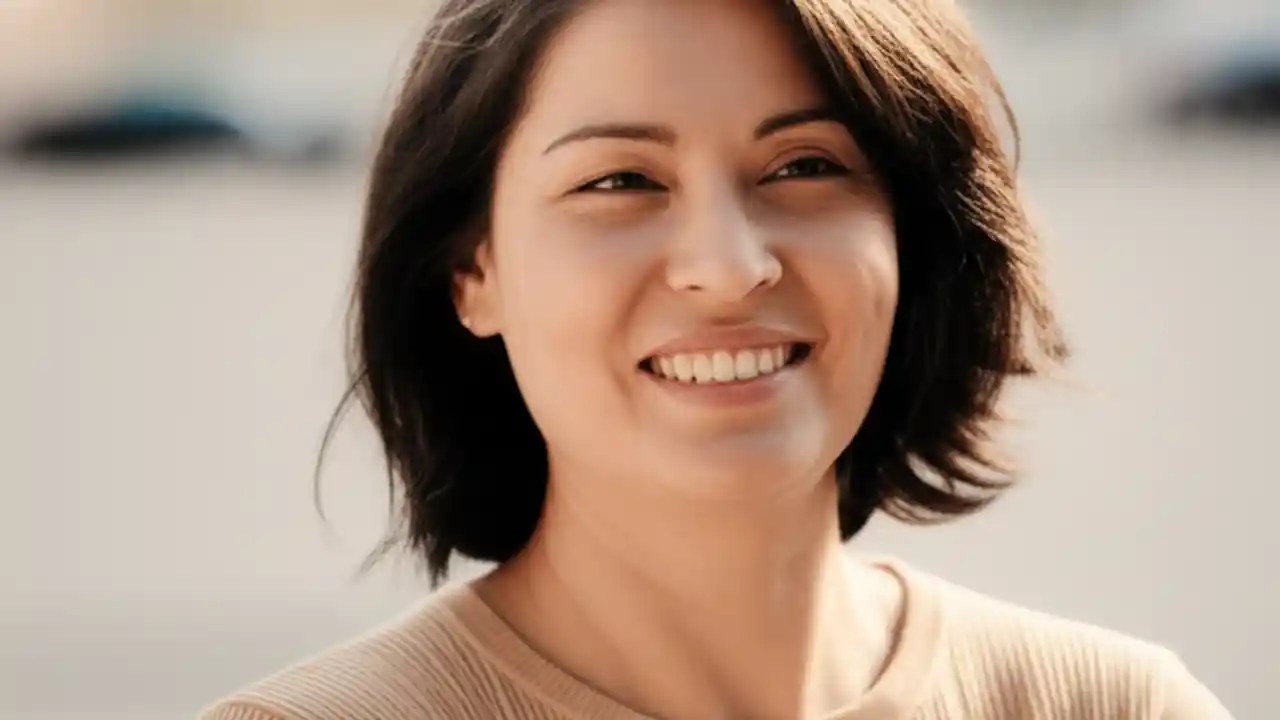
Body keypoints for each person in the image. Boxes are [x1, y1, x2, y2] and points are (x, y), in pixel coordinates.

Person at [201, 0, 1232, 717]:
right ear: (473, 272)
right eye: (618, 182)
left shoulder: (1118, 708)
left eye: (803, 165)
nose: (728, 267)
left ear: (910, 239)